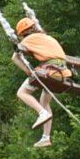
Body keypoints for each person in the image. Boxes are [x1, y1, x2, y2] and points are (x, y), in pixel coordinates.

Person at [13, 15, 72, 148]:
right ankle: (46, 137)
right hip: (62, 73)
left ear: (23, 33)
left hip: (50, 71)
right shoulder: (48, 37)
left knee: (22, 93)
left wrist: (28, 71)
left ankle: (41, 113)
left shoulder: (29, 39)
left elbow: (15, 58)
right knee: (44, 102)